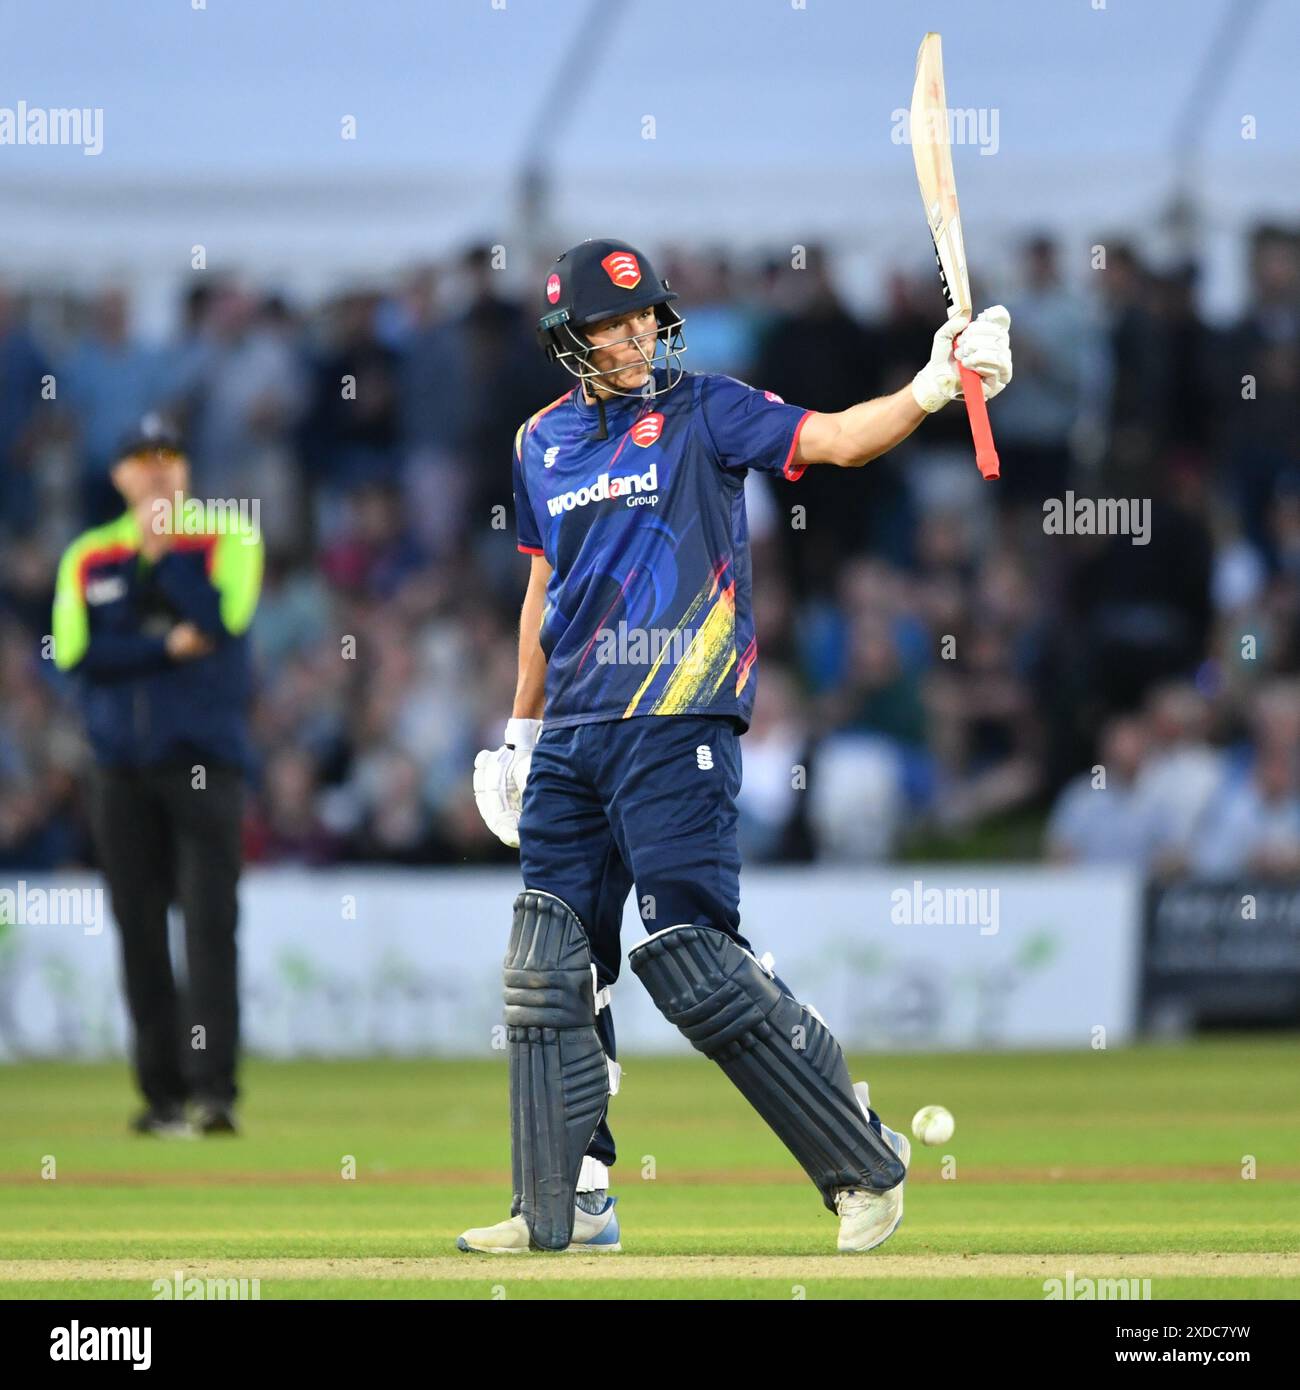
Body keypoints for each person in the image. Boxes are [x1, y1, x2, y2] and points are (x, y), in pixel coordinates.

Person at [466, 239, 1012, 1253]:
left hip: (679, 718)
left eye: (645, 316)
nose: (637, 336)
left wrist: (934, 385)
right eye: (612, 323)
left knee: (693, 958)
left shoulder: (705, 409)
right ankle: (570, 1199)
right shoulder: (537, 441)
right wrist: (520, 731)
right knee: (551, 968)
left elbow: (839, 439)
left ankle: (862, 1162)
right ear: (569, 339)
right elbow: (544, 590)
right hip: (572, 733)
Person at [51, 417, 263, 1136]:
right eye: (141, 459)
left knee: (210, 925)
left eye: (168, 456)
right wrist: (166, 645)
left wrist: (163, 556)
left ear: (186, 470)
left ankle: (214, 1092)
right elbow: (76, 654)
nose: (156, 470)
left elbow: (223, 622)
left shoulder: (229, 535)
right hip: (119, 769)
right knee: (138, 929)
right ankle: (163, 1094)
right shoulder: (89, 554)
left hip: (206, 762)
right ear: (119, 476)